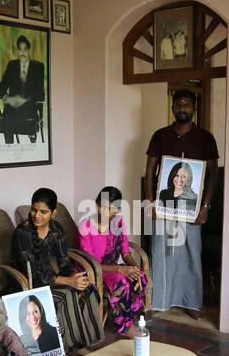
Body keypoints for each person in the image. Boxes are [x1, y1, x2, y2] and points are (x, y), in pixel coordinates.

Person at [144, 89, 219, 319]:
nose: (181, 109)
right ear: (172, 107)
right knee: (160, 251)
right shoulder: (160, 135)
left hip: (192, 206)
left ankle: (192, 303)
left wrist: (206, 207)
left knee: (190, 253)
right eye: (177, 105)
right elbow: (150, 171)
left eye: (186, 105)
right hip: (163, 203)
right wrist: (150, 202)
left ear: (194, 108)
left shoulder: (205, 137)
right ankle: (160, 301)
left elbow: (213, 174)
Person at [12, 188, 103, 350]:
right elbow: (34, 273)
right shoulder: (23, 233)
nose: (36, 215)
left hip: (50, 280)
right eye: (34, 209)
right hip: (27, 284)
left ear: (54, 213)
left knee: (88, 288)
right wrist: (69, 281)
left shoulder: (56, 229)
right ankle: (68, 348)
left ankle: (90, 341)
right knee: (67, 294)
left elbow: (64, 262)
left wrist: (76, 277)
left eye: (43, 212)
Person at [77, 186, 147, 336]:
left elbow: (126, 253)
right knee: (121, 279)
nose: (103, 211)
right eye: (100, 205)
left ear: (118, 210)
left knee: (139, 276)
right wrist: (120, 269)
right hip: (91, 270)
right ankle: (125, 327)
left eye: (109, 208)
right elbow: (92, 264)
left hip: (111, 268)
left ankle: (130, 317)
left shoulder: (118, 224)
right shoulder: (86, 227)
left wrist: (135, 269)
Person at [0, 34, 46, 144]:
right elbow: (2, 87)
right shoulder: (12, 65)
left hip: (29, 107)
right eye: (20, 49)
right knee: (9, 116)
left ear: (29, 50)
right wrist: (7, 98)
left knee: (7, 119)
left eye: (25, 49)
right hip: (12, 106)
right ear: (17, 51)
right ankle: (9, 147)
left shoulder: (38, 67)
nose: (22, 52)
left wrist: (24, 100)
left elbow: (40, 93)